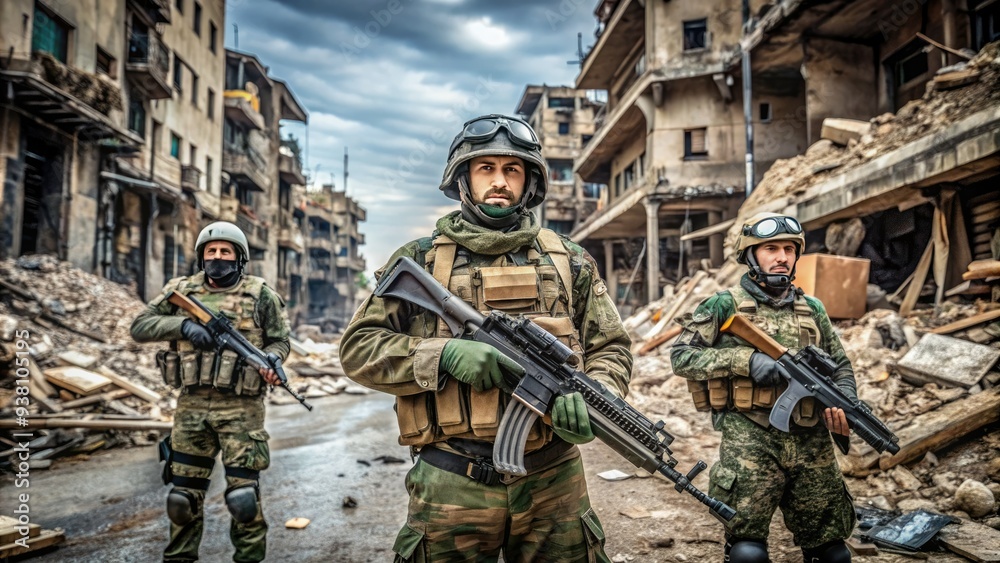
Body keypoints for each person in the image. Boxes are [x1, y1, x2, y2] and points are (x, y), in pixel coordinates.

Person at [340, 114, 633, 562]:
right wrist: (441, 354)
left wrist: (598, 391)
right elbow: (358, 348)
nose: (500, 181)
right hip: (451, 481)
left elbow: (610, 346)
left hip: (553, 481)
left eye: (512, 169)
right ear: (464, 178)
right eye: (486, 168)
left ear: (529, 182)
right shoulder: (420, 260)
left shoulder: (569, 261)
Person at [670, 212, 856, 563]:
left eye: (789, 249)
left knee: (833, 553)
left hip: (812, 442)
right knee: (748, 553)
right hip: (750, 439)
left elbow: (841, 364)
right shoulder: (723, 304)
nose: (782, 257)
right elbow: (682, 356)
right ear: (751, 254)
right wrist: (746, 361)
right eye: (771, 248)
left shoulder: (812, 308)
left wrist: (845, 401)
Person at [130, 221, 290, 563]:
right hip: (191, 407)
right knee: (182, 499)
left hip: (241, 410)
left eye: (225, 251)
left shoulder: (260, 293)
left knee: (243, 499)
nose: (217, 257)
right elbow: (140, 326)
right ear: (201, 257)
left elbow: (280, 340)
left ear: (239, 257)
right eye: (211, 251)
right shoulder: (181, 290)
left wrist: (273, 359)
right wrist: (184, 326)